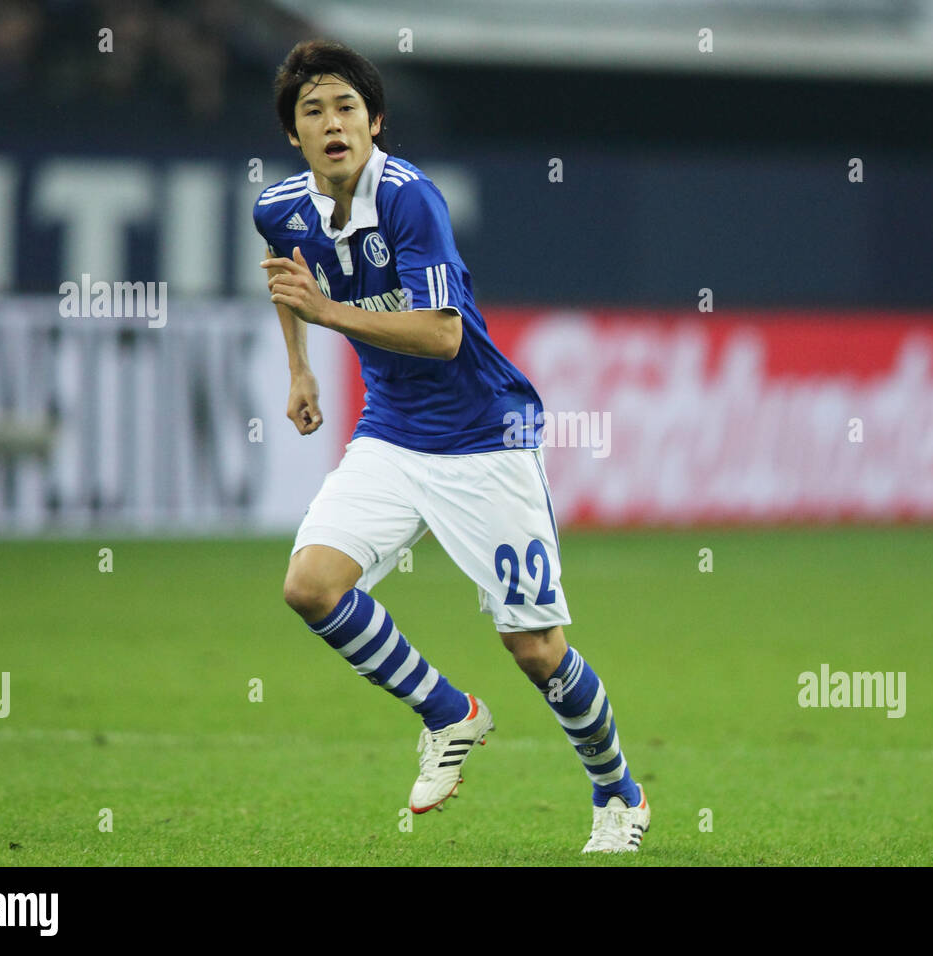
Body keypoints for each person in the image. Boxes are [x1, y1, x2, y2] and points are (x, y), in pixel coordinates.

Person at [253, 40, 647, 852]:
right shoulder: (279, 206)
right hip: (392, 435)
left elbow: (439, 335)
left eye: (347, 108)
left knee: (535, 649)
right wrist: (300, 369)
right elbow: (287, 279)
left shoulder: (410, 199)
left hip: (484, 438)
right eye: (314, 112)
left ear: (376, 121)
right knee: (310, 586)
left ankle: (620, 795)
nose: (333, 124)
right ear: (294, 136)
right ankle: (448, 713)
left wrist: (329, 317)